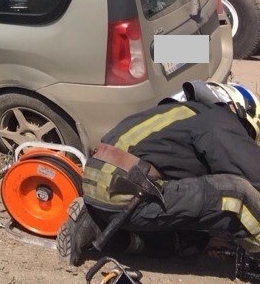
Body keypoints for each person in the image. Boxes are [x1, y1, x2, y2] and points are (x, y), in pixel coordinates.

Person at [57, 80, 260, 267]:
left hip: (102, 185)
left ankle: (93, 224)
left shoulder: (179, 114)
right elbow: (255, 174)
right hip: (129, 188)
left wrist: (204, 240)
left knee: (182, 241)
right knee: (238, 194)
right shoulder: (220, 120)